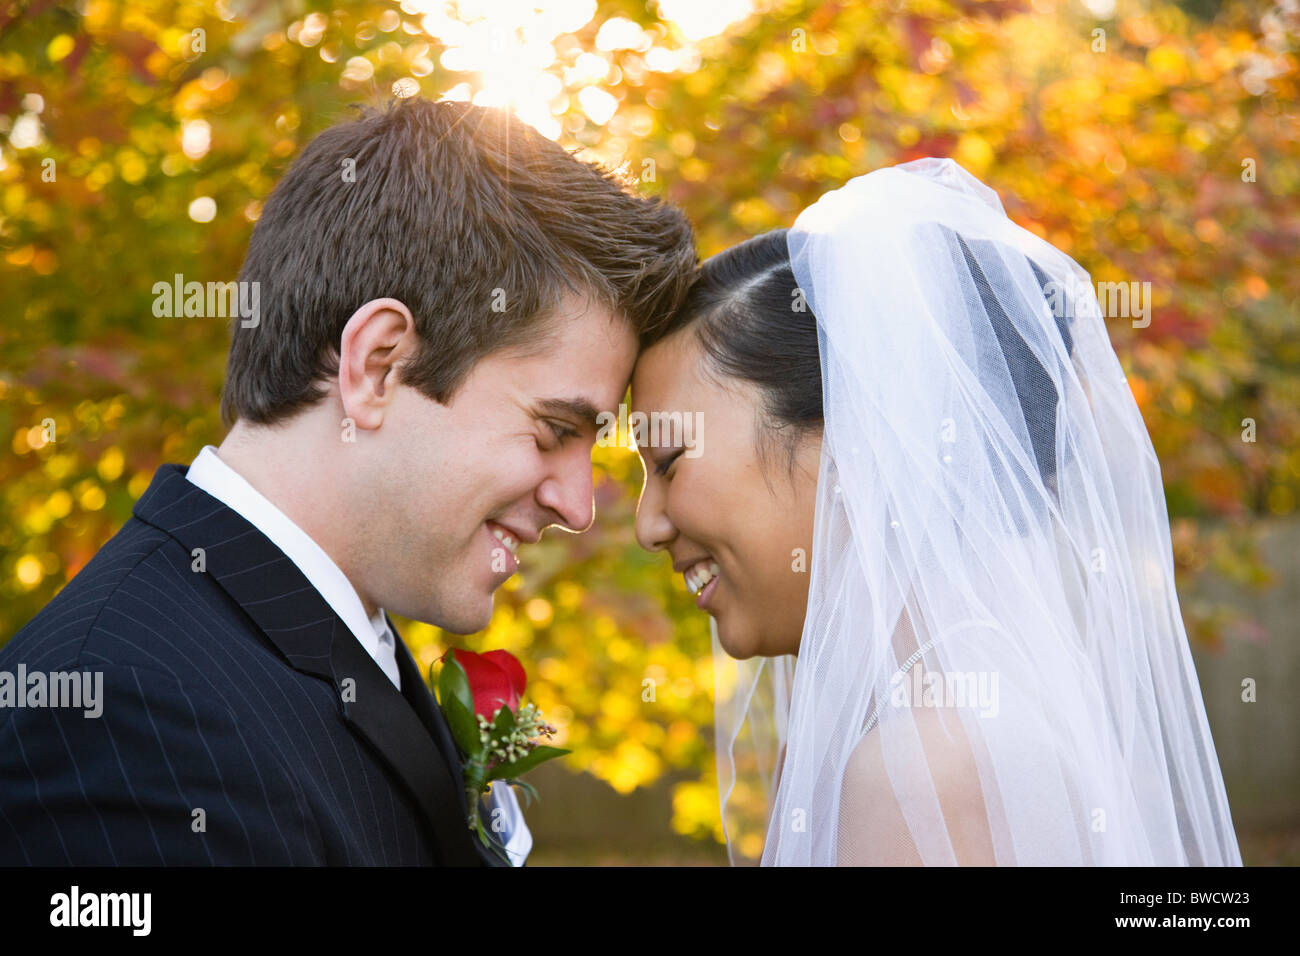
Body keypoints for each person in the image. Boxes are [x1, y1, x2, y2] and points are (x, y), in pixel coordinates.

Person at [0, 97, 697, 866]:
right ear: (377, 365)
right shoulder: (121, 716)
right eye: (556, 432)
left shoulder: (339, 639)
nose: (576, 504)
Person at [632, 157, 1242, 865]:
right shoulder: (954, 731)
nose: (649, 524)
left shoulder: (922, 771)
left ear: (853, 444)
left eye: (670, 460)